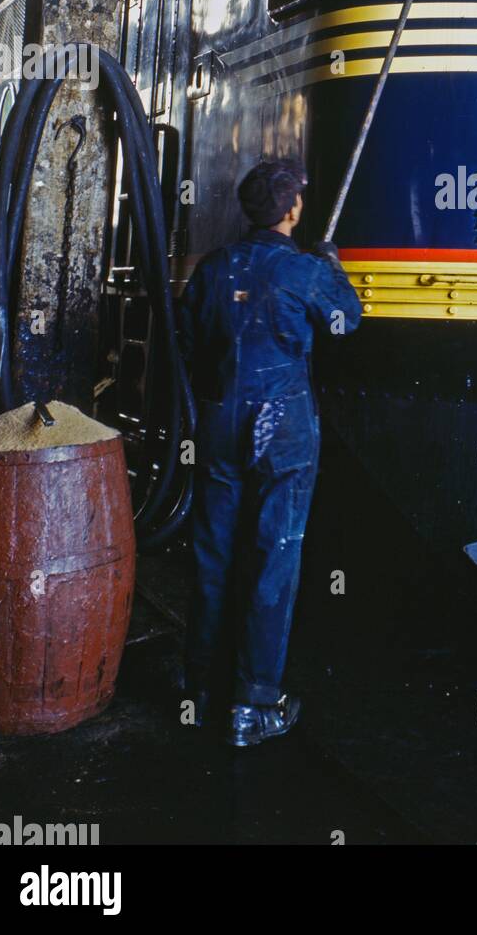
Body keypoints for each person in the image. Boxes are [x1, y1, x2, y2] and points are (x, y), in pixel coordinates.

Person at [176, 158, 362, 747]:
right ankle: (254, 705)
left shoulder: (213, 268)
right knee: (271, 558)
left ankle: (200, 694)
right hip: (281, 431)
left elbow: (186, 338)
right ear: (292, 210)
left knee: (212, 557)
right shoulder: (302, 271)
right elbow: (345, 322)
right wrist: (332, 269)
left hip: (219, 425)